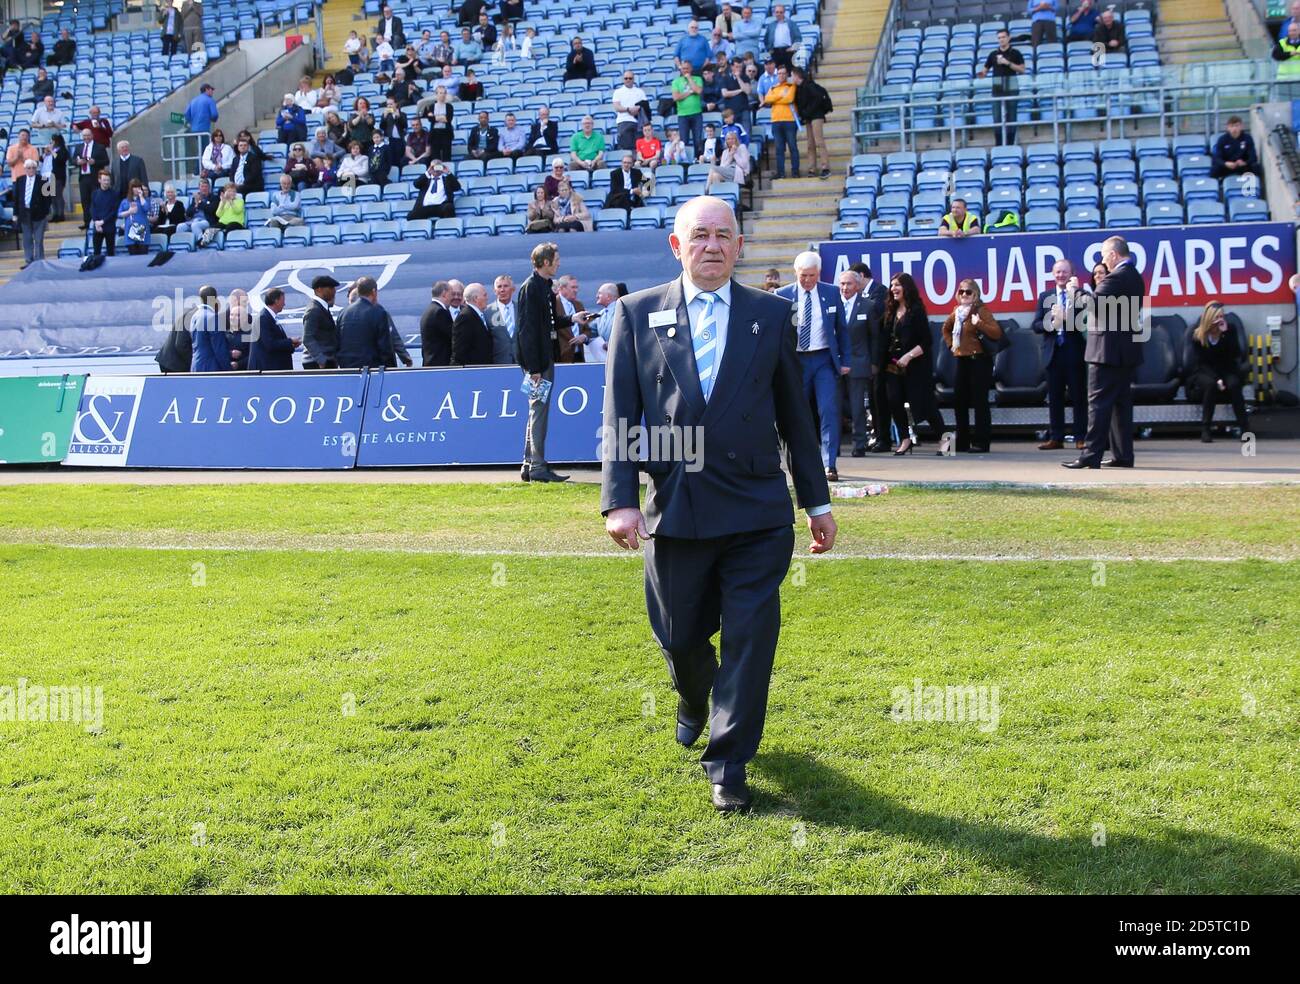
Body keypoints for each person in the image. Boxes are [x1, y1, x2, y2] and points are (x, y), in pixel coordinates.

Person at [601, 195, 834, 813]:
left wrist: (816, 501)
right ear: (676, 247)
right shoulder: (636, 312)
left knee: (751, 637)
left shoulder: (771, 314)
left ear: (738, 245)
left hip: (758, 509)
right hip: (676, 508)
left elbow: (796, 419)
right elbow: (621, 413)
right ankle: (690, 694)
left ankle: (728, 764)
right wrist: (619, 500)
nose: (712, 245)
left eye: (723, 235)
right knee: (679, 637)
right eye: (698, 235)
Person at [1064, 235, 1146, 469]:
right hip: (1124, 351)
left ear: (1113, 254)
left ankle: (1091, 455)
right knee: (1120, 406)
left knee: (1098, 404)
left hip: (1106, 350)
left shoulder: (1117, 277)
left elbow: (1094, 304)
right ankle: (1123, 455)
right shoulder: (1134, 276)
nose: (1103, 261)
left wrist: (1075, 291)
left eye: (1103, 256)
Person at [776, 251, 852, 480]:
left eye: (811, 275)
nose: (807, 280)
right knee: (798, 412)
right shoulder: (783, 295)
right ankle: (802, 462)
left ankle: (830, 464)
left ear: (819, 273)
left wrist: (846, 360)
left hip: (823, 360)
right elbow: (778, 332)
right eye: (803, 275)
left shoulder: (830, 293)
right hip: (796, 360)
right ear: (795, 273)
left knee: (828, 410)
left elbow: (842, 329)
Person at [516, 241, 569, 482]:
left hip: (541, 360)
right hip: (538, 363)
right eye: (556, 260)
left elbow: (547, 323)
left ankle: (530, 464)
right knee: (538, 411)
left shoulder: (541, 287)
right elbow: (527, 331)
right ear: (545, 262)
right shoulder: (532, 288)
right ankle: (537, 467)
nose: (558, 263)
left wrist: (571, 319)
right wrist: (534, 368)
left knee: (535, 411)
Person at [879, 272, 946, 454]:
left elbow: (926, 341)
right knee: (894, 400)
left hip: (916, 365)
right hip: (893, 365)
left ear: (906, 288)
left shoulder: (916, 310)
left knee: (926, 404)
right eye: (892, 285)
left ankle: (947, 441)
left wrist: (909, 356)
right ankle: (905, 439)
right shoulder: (891, 311)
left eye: (897, 285)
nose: (893, 289)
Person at [1032, 258, 1089, 450]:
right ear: (1052, 274)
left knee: (1078, 397)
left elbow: (1086, 321)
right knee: (1055, 397)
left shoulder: (1082, 295)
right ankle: (1056, 437)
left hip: (1074, 352)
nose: (1060, 275)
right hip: (1053, 353)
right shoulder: (1045, 296)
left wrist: (1069, 313)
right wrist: (1052, 324)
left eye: (1064, 272)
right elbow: (1036, 325)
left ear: (1071, 274)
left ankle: (1081, 436)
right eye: (1057, 272)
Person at [941, 278, 1002, 453]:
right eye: (961, 292)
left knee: (980, 402)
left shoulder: (981, 311)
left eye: (968, 292)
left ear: (975, 294)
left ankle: (981, 442)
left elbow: (996, 332)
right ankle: (962, 442)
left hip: (979, 361)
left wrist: (979, 324)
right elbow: (945, 328)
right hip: (962, 359)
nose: (964, 295)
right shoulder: (956, 312)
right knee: (959, 401)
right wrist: (951, 344)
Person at [1187, 301, 1250, 442]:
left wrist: (1225, 334)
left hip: (1226, 369)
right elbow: (1201, 362)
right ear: (1210, 318)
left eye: (1222, 316)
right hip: (1205, 371)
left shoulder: (1230, 330)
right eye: (1218, 317)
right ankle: (1206, 428)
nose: (1221, 320)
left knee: (1234, 385)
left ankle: (1244, 428)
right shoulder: (1198, 335)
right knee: (1210, 385)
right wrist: (1217, 379)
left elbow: (1236, 354)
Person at [978, 29, 1025, 146]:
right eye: (999, 38)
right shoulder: (993, 54)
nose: (1001, 40)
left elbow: (1022, 70)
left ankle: (1010, 143)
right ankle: (999, 144)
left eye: (1003, 37)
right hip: (997, 88)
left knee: (1012, 116)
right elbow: (984, 72)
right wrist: (978, 76)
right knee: (997, 117)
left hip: (1012, 86)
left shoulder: (1016, 53)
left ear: (1008, 38)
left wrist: (1007, 63)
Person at [337, 276, 396, 368]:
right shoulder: (379, 313)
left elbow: (338, 342)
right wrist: (391, 368)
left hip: (347, 369)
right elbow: (385, 347)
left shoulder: (343, 313)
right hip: (371, 371)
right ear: (373, 291)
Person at [791, 66, 832, 179]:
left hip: (816, 116)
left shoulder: (809, 85)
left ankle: (825, 167)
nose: (791, 78)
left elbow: (818, 98)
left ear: (797, 76)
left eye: (792, 75)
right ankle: (812, 168)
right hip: (809, 118)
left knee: (819, 141)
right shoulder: (799, 89)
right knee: (810, 144)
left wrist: (808, 111)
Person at [247, 289, 300, 371]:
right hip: (266, 370)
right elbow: (269, 344)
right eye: (283, 301)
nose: (284, 304)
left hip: (272, 368)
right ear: (276, 301)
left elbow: (275, 342)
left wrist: (291, 345)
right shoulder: (263, 318)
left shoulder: (269, 317)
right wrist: (290, 341)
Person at [13, 159, 52, 268]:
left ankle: (39, 261)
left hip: (39, 214)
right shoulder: (20, 180)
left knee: (39, 239)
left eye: (33, 168)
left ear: (36, 169)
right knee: (27, 238)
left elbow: (48, 198)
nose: (31, 170)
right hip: (24, 213)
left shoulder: (43, 180)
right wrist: (15, 214)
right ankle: (29, 261)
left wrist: (45, 212)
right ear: (25, 169)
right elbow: (16, 198)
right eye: (28, 168)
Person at [762, 64, 798, 179]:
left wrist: (776, 99)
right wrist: (780, 96)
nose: (781, 75)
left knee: (792, 146)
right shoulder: (773, 88)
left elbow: (789, 98)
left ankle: (795, 171)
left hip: (789, 120)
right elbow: (767, 99)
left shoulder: (791, 86)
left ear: (787, 75)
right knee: (779, 149)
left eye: (783, 73)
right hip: (776, 121)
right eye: (779, 73)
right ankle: (781, 173)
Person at [190, 285, 237, 372]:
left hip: (196, 366)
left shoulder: (195, 316)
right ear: (215, 299)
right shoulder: (212, 317)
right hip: (210, 368)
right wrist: (228, 369)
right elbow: (219, 347)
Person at [302, 275, 341, 369]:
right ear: (319, 289)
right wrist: (321, 360)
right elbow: (307, 338)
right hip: (316, 362)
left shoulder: (322, 307)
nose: (334, 291)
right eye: (331, 288)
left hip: (325, 360)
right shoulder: (314, 310)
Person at [450, 283, 494, 365]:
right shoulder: (465, 317)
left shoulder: (477, 314)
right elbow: (459, 351)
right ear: (476, 298)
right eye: (484, 295)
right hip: (473, 371)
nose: (487, 298)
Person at [73, 129, 109, 230]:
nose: (86, 138)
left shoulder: (100, 147)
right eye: (84, 136)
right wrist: (77, 162)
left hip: (95, 178)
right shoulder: (79, 147)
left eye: (88, 135)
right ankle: (87, 222)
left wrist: (95, 162)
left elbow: (106, 161)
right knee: (85, 201)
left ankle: (97, 221)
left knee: (96, 200)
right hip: (83, 178)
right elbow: (72, 160)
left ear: (92, 135)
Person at [672, 61, 706, 160]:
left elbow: (698, 91)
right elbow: (676, 97)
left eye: (687, 68)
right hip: (683, 115)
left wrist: (689, 79)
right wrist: (690, 92)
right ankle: (685, 160)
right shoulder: (676, 82)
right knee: (684, 140)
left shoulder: (698, 79)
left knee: (697, 139)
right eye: (683, 68)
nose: (685, 70)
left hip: (696, 113)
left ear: (691, 69)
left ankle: (697, 158)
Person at [419, 281, 455, 366]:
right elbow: (453, 335)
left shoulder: (429, 310)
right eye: (451, 294)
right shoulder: (439, 312)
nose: (452, 298)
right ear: (444, 294)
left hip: (430, 362)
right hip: (440, 364)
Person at [612, 70, 647, 151]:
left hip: (639, 123)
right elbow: (617, 107)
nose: (628, 80)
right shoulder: (618, 92)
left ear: (633, 79)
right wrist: (628, 109)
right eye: (626, 78)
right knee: (626, 148)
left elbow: (645, 106)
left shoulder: (640, 92)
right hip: (624, 122)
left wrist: (637, 109)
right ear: (623, 79)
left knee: (639, 149)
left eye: (630, 78)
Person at [487, 275, 519, 364]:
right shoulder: (487, 312)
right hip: (499, 363)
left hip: (522, 362)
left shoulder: (522, 309)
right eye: (499, 287)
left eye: (505, 286)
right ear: (494, 291)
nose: (502, 290)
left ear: (513, 289)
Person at [88, 170, 119, 257]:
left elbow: (114, 211)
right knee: (96, 252)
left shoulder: (114, 194)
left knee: (110, 252)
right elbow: (92, 209)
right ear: (99, 180)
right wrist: (96, 222)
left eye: (108, 180)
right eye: (104, 180)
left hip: (109, 227)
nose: (106, 182)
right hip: (97, 227)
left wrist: (103, 221)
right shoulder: (95, 194)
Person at [118, 180, 153, 255]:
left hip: (142, 229)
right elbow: (119, 214)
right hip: (130, 230)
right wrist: (129, 212)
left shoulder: (145, 200)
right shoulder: (125, 201)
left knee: (143, 254)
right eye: (135, 187)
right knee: (133, 255)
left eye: (138, 187)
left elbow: (146, 208)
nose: (137, 189)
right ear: (131, 189)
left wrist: (141, 196)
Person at [40, 135, 69, 222]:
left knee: (58, 195)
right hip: (47, 176)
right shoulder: (49, 152)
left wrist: (52, 151)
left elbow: (60, 159)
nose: (51, 143)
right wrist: (46, 153)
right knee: (51, 196)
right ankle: (55, 214)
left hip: (58, 176)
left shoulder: (62, 150)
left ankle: (61, 214)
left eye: (53, 142)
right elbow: (40, 159)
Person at [763, 4, 801, 68]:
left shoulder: (791, 24)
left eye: (781, 12)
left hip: (788, 51)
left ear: (784, 13)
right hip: (775, 52)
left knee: (790, 72)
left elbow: (798, 37)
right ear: (774, 13)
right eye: (777, 12)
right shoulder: (771, 26)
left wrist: (793, 48)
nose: (779, 14)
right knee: (776, 73)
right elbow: (766, 39)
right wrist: (769, 49)